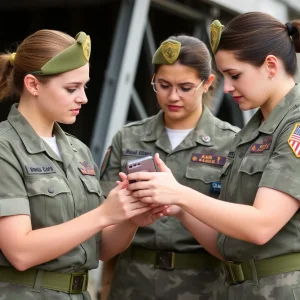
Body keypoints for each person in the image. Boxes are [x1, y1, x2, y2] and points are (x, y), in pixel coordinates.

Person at [125, 12, 300, 300]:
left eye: (235, 75)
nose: (228, 88)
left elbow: (261, 225)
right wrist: (179, 208)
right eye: (224, 76)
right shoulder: (252, 133)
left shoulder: (295, 126)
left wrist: (180, 194)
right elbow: (225, 244)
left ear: (270, 65)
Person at [0, 29, 163, 300]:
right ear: (33, 85)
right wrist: (103, 214)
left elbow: (98, 248)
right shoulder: (5, 148)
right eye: (71, 88)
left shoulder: (78, 151)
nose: (83, 98)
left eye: (84, 87)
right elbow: (20, 252)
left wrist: (130, 218)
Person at [100, 35, 239, 300]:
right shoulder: (129, 138)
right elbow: (103, 217)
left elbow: (237, 228)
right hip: (133, 282)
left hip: (204, 284)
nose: (173, 96)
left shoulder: (232, 143)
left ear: (207, 83)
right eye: (163, 85)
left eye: (185, 87)